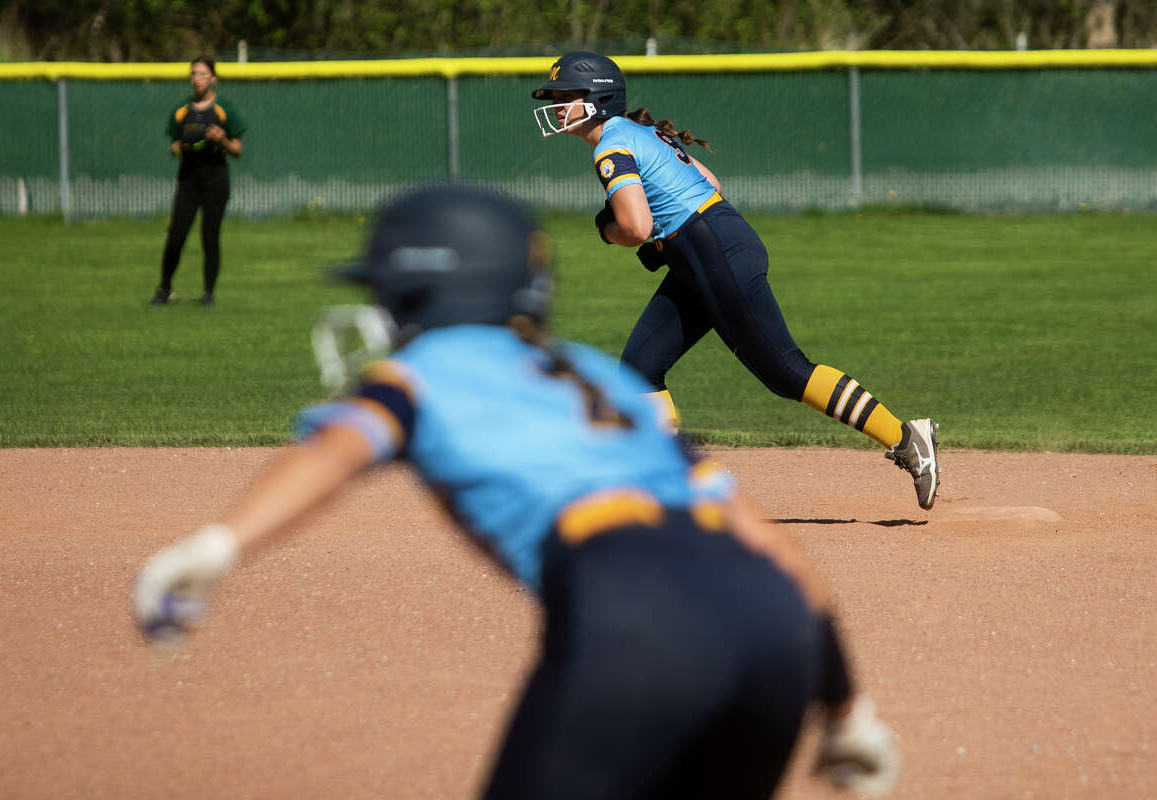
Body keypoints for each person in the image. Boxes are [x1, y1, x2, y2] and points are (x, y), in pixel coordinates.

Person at [131, 182, 900, 799]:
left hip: (631, 615)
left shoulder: (427, 368)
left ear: (430, 289)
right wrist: (845, 707)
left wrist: (219, 545)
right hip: (774, 631)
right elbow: (766, 544)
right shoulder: (606, 379)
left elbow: (337, 449)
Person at [532, 51, 941, 510]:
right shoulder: (639, 133)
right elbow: (711, 180)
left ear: (598, 98)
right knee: (641, 368)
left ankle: (907, 436)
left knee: (786, 372)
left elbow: (636, 228)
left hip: (713, 251)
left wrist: (606, 230)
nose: (557, 106)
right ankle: (671, 494)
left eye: (566, 96)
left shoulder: (611, 145)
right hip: (710, 247)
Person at [150, 57, 245, 307]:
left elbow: (237, 149)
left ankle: (208, 294)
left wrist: (222, 140)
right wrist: (180, 148)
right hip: (189, 177)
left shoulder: (224, 109)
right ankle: (164, 289)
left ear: (213, 78)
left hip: (215, 177)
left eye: (203, 74)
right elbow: (173, 145)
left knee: (210, 235)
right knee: (176, 234)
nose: (197, 78)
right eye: (194, 74)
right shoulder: (182, 110)